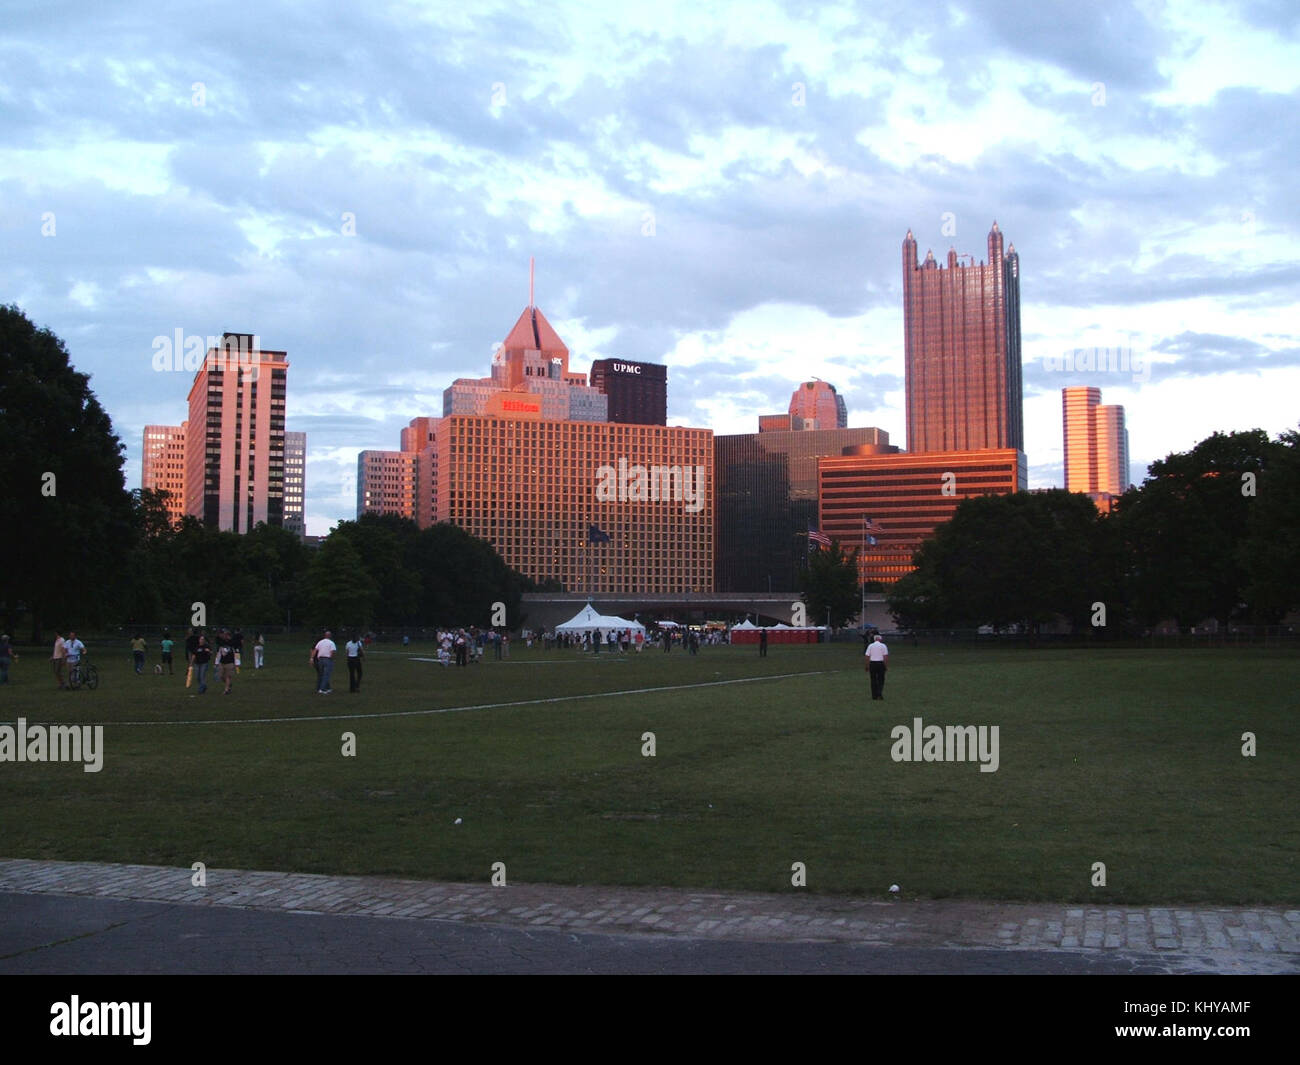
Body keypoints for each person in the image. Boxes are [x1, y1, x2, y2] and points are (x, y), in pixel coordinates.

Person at [865, 633, 889, 701]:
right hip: (881, 663)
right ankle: (879, 693)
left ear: (874, 639)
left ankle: (874, 696)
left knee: (873, 680)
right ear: (880, 639)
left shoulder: (870, 646)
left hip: (872, 664)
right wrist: (886, 666)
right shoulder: (883, 646)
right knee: (881, 679)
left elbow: (867, 656)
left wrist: (867, 666)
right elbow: (885, 657)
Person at [216, 629, 236, 695]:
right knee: (221, 676)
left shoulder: (232, 642)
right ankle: (229, 684)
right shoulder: (221, 642)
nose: (224, 635)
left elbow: (236, 651)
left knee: (228, 676)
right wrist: (216, 662)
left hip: (230, 662)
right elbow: (219, 651)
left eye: (226, 634)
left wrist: (237, 663)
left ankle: (226, 690)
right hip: (222, 662)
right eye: (224, 634)